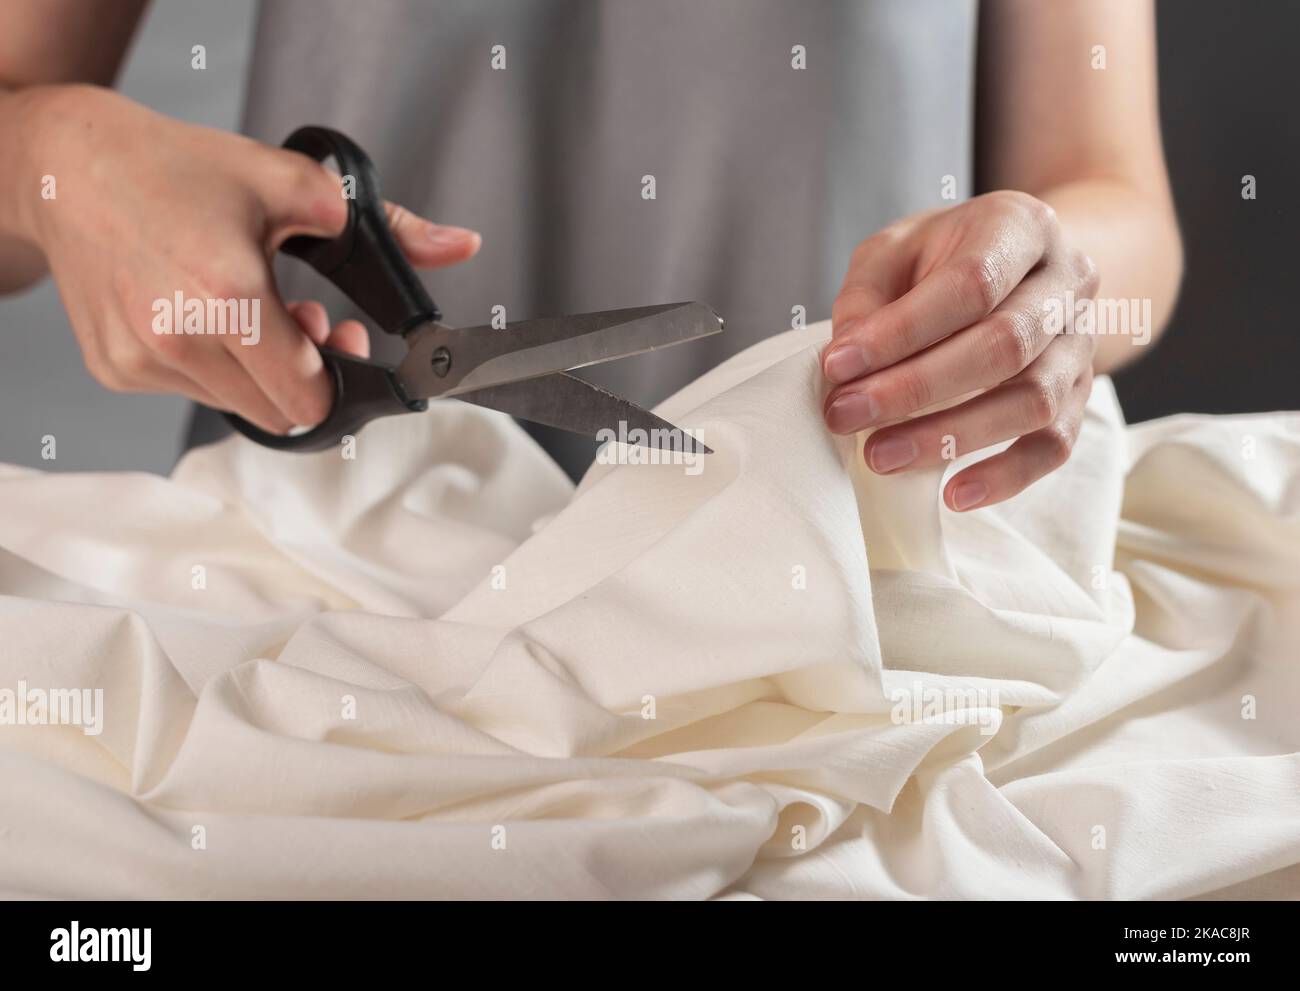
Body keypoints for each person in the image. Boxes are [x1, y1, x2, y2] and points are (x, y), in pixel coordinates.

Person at [0, 0, 1181, 508]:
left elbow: (1115, 199)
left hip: (843, 632)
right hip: (302, 603)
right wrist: (59, 156)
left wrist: (1042, 290)